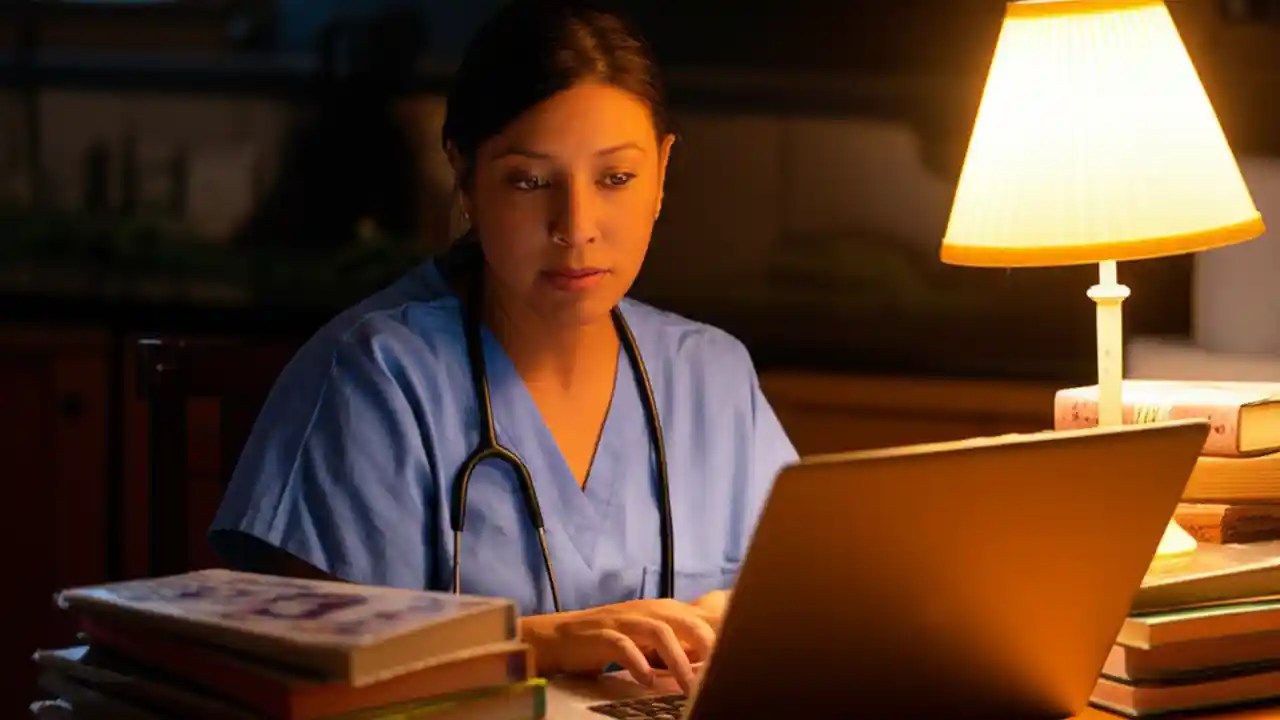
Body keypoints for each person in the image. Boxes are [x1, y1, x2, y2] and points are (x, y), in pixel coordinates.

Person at [208, 0, 797, 694]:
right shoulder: (378, 377)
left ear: (662, 173)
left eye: (615, 178)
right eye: (529, 181)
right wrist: (539, 644)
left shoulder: (712, 378)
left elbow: (808, 600)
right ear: (465, 177)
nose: (576, 226)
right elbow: (300, 666)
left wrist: (743, 619)